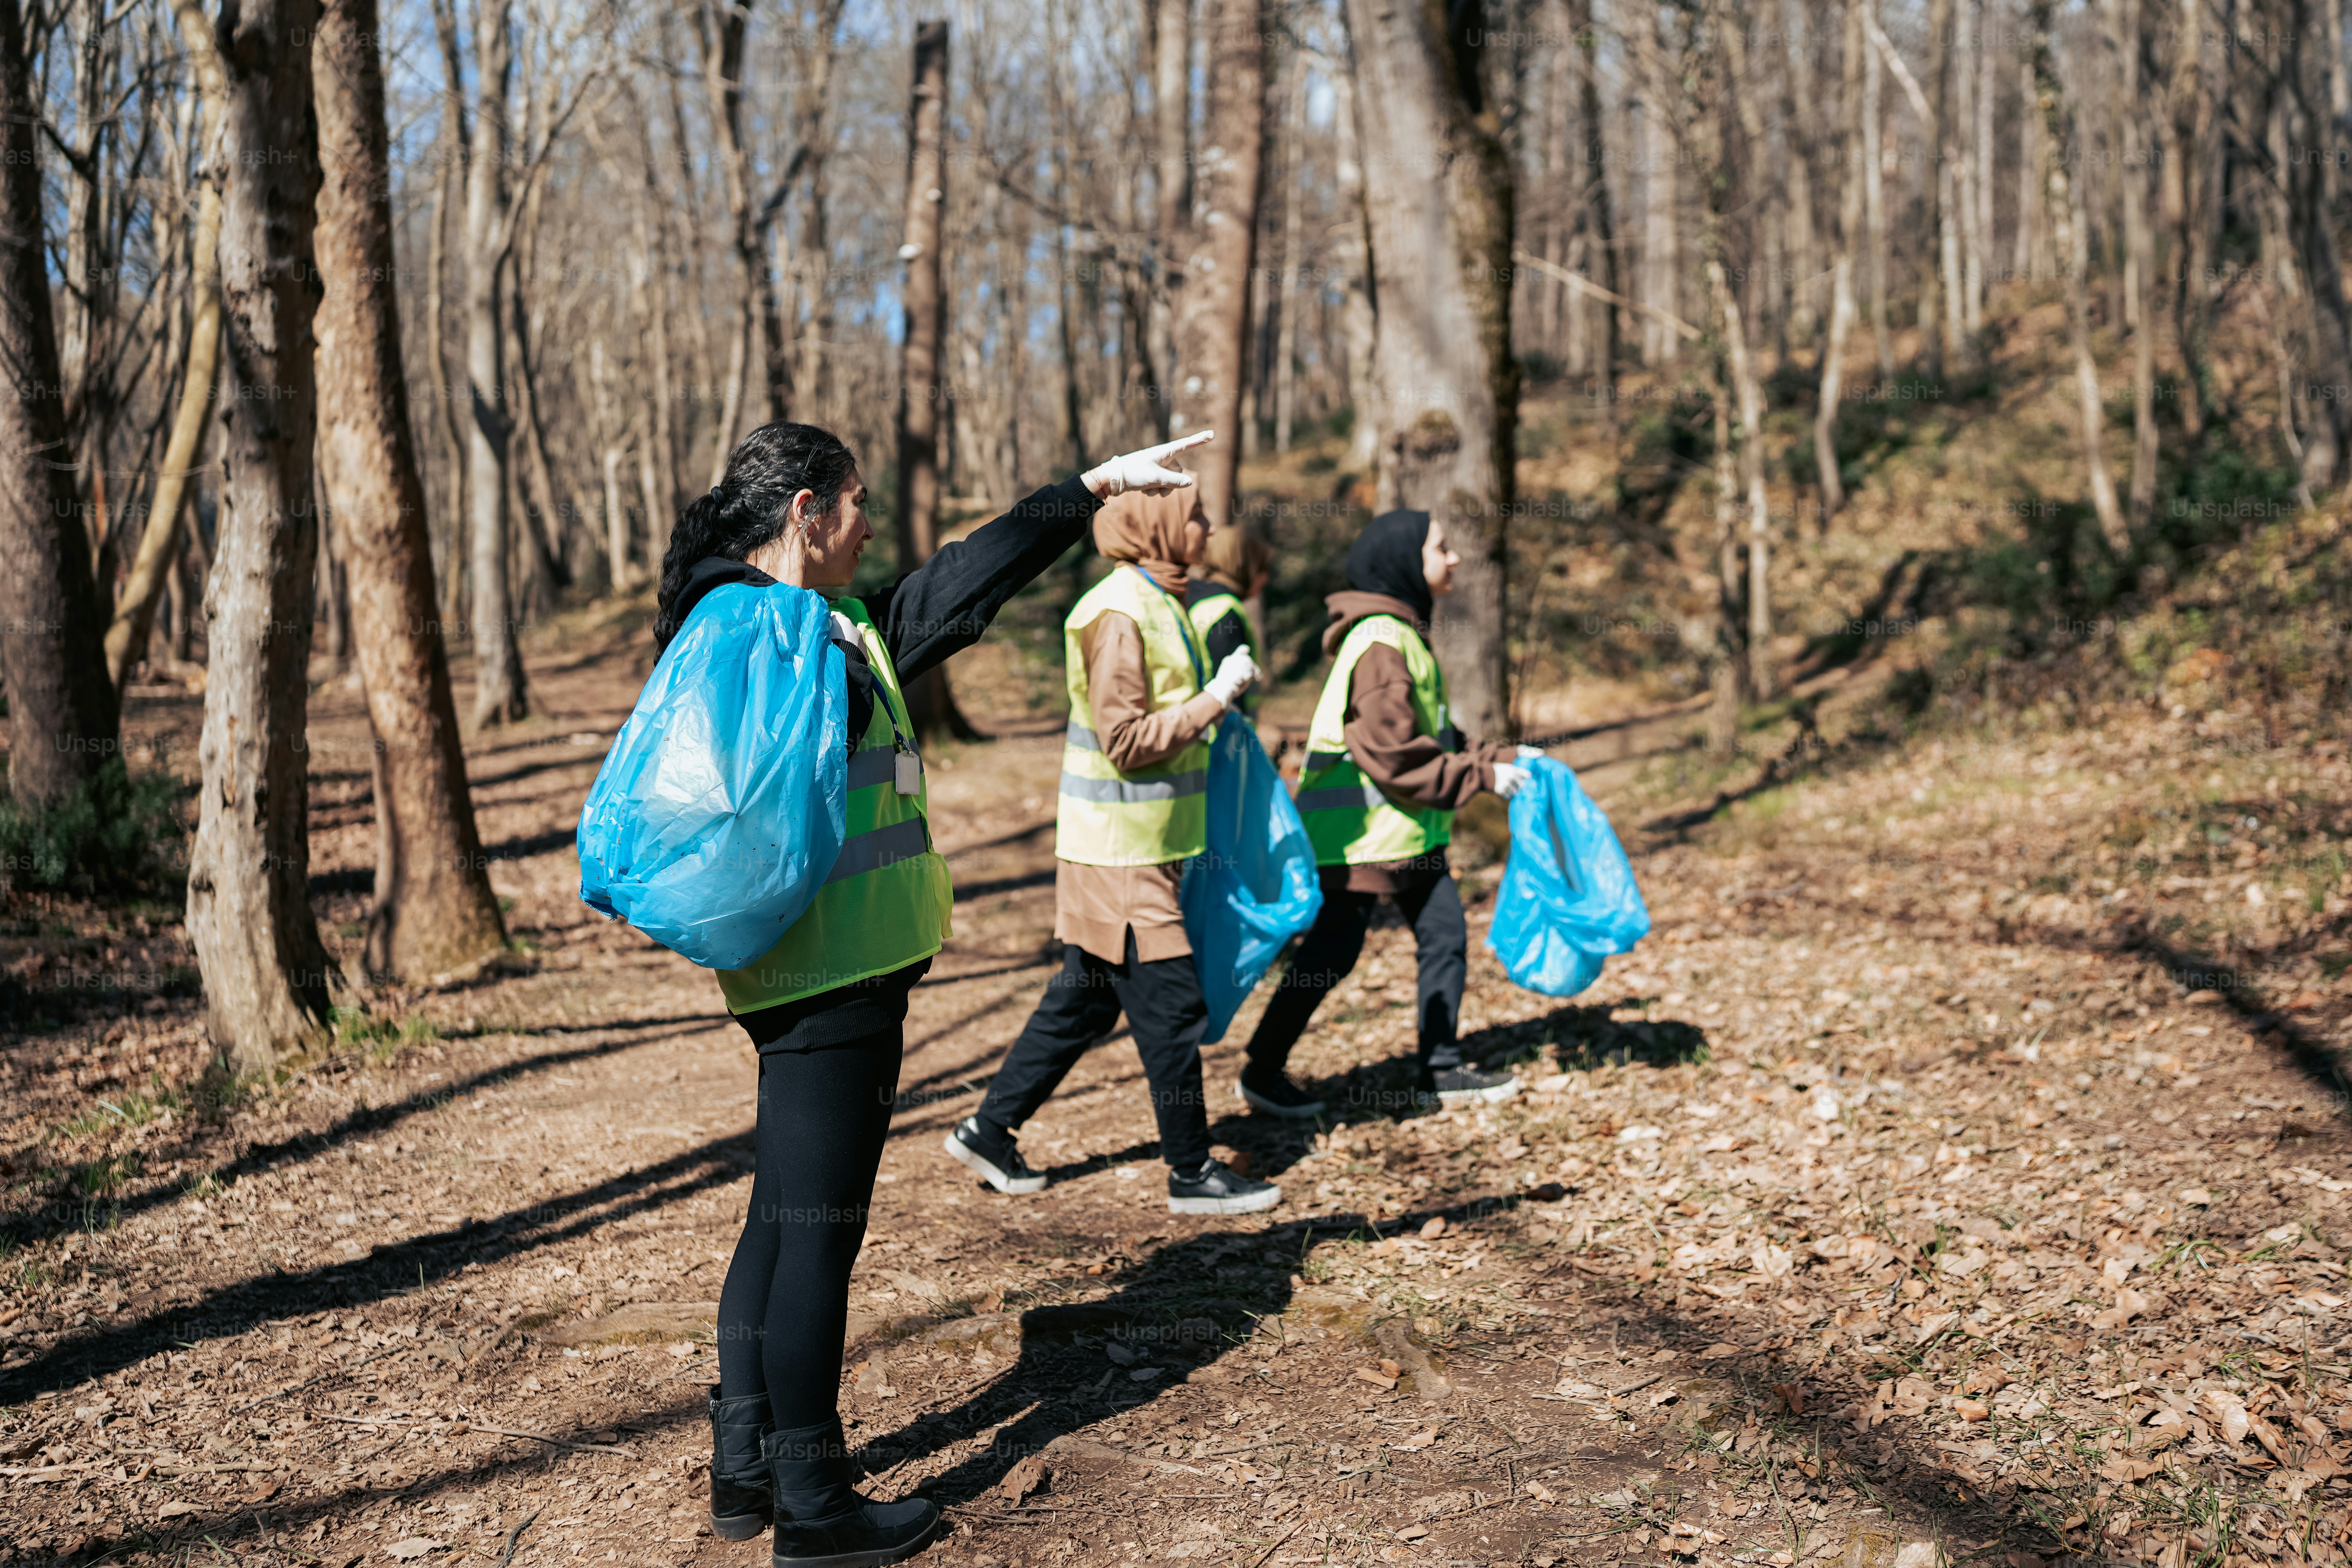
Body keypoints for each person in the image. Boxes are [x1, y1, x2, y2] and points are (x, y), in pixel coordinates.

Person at [666, 420, 1216, 1568]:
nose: (873, 523)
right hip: (839, 972)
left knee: (781, 1208)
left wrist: (1083, 491)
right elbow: (949, 593)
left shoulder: (747, 621)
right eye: (856, 503)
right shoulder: (794, 633)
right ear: (808, 511)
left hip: (779, 970)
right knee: (821, 1233)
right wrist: (1082, 494)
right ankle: (815, 1504)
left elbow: (957, 587)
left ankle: (744, 1462)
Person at [944, 486, 1283, 1217]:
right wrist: (1217, 698)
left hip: (1138, 846)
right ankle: (1190, 1171)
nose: (1205, 526)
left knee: (1087, 1000)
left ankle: (988, 1128)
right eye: (1195, 514)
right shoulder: (1118, 611)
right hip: (1117, 852)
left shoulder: (1163, 601)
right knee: (1172, 1006)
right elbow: (1125, 742)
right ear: (1156, 525)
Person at [1233, 509, 1545, 1121]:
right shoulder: (1381, 643)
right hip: (1357, 841)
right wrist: (1483, 776)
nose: (1452, 558)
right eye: (1440, 547)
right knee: (1331, 954)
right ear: (1404, 560)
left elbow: (1439, 737)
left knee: (1442, 936)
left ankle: (1442, 1066)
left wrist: (1503, 757)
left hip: (1402, 834)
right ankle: (1264, 1069)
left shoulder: (1400, 636)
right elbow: (1396, 755)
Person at [1185, 523, 1272, 717]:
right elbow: (1229, 694)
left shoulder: (1193, 596)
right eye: (1261, 568)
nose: (1265, 579)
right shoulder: (1225, 612)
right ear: (1243, 566)